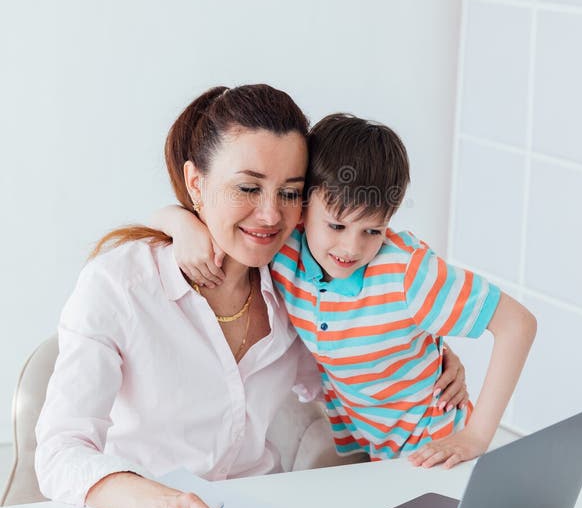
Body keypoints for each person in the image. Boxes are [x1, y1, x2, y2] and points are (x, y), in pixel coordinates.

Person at [35, 86, 469, 508]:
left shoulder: (301, 289)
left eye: (290, 193)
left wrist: (426, 361)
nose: (270, 215)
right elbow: (59, 453)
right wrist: (151, 500)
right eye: (247, 187)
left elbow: (351, 371)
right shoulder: (121, 285)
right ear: (196, 184)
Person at [156, 112, 536, 470]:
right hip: (373, 457)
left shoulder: (408, 273)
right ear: (302, 209)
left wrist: (477, 436)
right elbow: (219, 218)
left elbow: (518, 324)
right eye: (336, 226)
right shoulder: (286, 251)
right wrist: (180, 223)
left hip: (440, 448)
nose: (351, 249)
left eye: (372, 230)